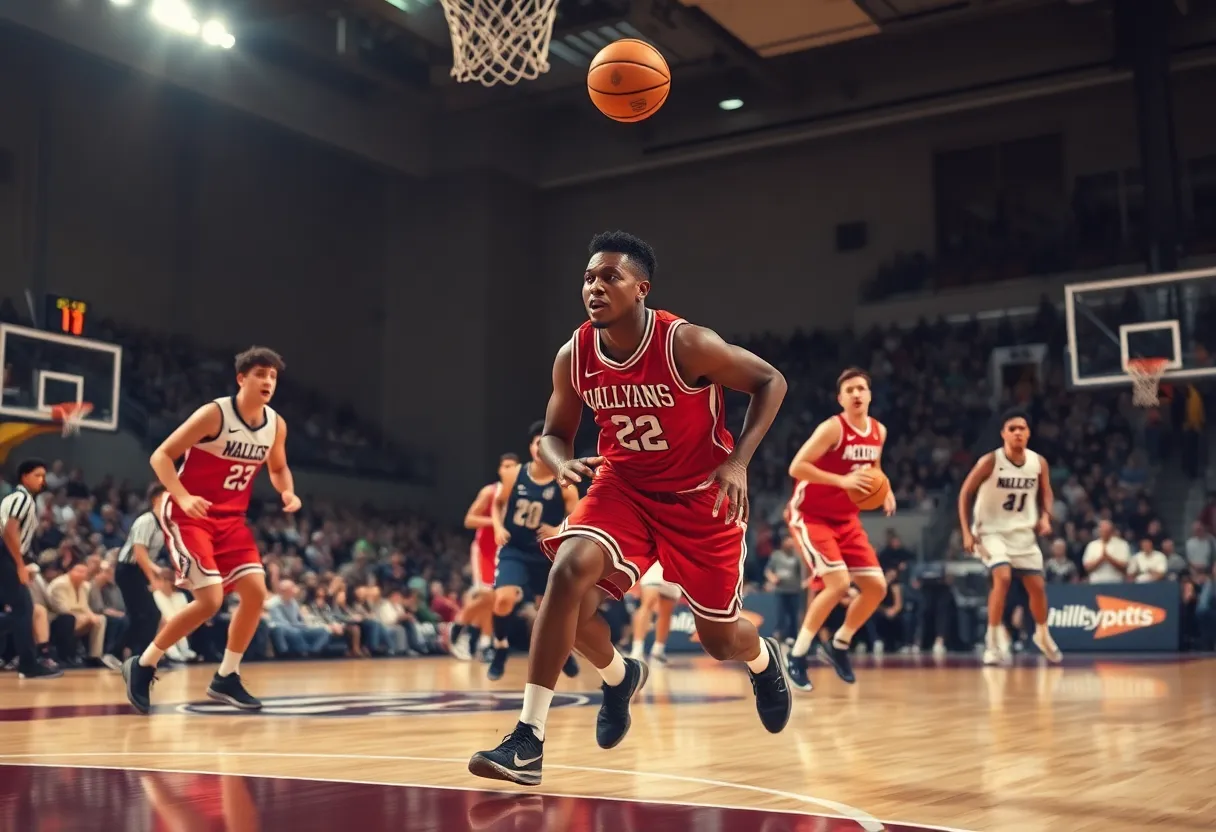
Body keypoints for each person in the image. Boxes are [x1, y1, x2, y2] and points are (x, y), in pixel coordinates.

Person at [469, 231, 791, 786]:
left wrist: (738, 462)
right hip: (623, 489)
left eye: (609, 277)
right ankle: (532, 735)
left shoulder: (686, 344)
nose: (595, 286)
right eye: (589, 277)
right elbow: (554, 433)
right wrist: (560, 461)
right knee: (568, 577)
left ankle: (763, 658)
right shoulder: (575, 354)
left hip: (699, 498)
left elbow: (770, 380)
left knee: (719, 641)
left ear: (641, 288)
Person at [123, 346, 299, 713]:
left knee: (255, 593)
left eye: (273, 376)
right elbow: (161, 455)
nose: (268, 381)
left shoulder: (275, 425)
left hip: (231, 520)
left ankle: (226, 677)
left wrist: (287, 491)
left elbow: (278, 467)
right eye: (261, 374)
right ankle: (142, 665)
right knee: (210, 601)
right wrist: (183, 497)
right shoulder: (214, 414)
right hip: (189, 516)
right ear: (241, 379)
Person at [785, 368, 894, 689]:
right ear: (841, 398)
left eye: (862, 388)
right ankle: (798, 653)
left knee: (876, 587)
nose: (857, 394)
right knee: (837, 583)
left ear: (870, 395)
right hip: (810, 515)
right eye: (850, 390)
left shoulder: (879, 431)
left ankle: (839, 644)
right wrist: (841, 481)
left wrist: (885, 490)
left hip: (846, 519)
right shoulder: (832, 429)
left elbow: (873, 469)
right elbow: (797, 466)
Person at [958, 408, 1062, 665]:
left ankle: (1042, 634)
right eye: (1012, 429)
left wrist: (1046, 516)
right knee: (1002, 577)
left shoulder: (1038, 463)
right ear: (1003, 434)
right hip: (989, 531)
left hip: (1023, 534)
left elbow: (1046, 492)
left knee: (1037, 588)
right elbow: (965, 493)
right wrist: (966, 531)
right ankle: (992, 642)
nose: (1017, 432)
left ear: (1028, 433)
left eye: (1022, 428)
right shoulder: (990, 461)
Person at [487, 421, 581, 681]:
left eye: (546, 443)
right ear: (530, 447)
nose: (541, 448)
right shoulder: (512, 475)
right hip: (515, 550)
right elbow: (497, 505)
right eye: (537, 443)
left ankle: (564, 653)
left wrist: (558, 529)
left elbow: (578, 519)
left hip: (546, 554)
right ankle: (500, 647)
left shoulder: (565, 485)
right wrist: (497, 527)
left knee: (550, 613)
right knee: (503, 599)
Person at [451, 454, 520, 662]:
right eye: (505, 466)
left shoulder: (522, 495)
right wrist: (496, 521)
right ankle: (464, 629)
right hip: (484, 551)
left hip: (506, 552)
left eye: (513, 466)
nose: (508, 469)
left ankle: (479, 638)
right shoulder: (489, 492)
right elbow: (469, 520)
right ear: (499, 470)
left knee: (497, 600)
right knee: (486, 596)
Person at [0, 458, 62, 679]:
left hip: (8, 556)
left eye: (44, 476)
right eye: (37, 475)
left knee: (21, 611)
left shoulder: (14, 498)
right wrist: (19, 565)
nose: (42, 480)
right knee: (23, 610)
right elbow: (10, 531)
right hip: (7, 556)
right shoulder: (23, 499)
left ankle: (28, 662)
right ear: (24, 476)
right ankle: (27, 665)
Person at [114, 484, 168, 660]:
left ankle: (139, 656)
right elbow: (140, 554)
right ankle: (123, 653)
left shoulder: (164, 524)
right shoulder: (146, 521)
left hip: (138, 571)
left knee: (148, 615)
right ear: (156, 499)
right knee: (146, 614)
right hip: (128, 570)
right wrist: (154, 576)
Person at [629, 563, 680, 664]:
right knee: (648, 602)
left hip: (675, 565)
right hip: (656, 562)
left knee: (667, 610)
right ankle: (637, 650)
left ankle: (658, 651)